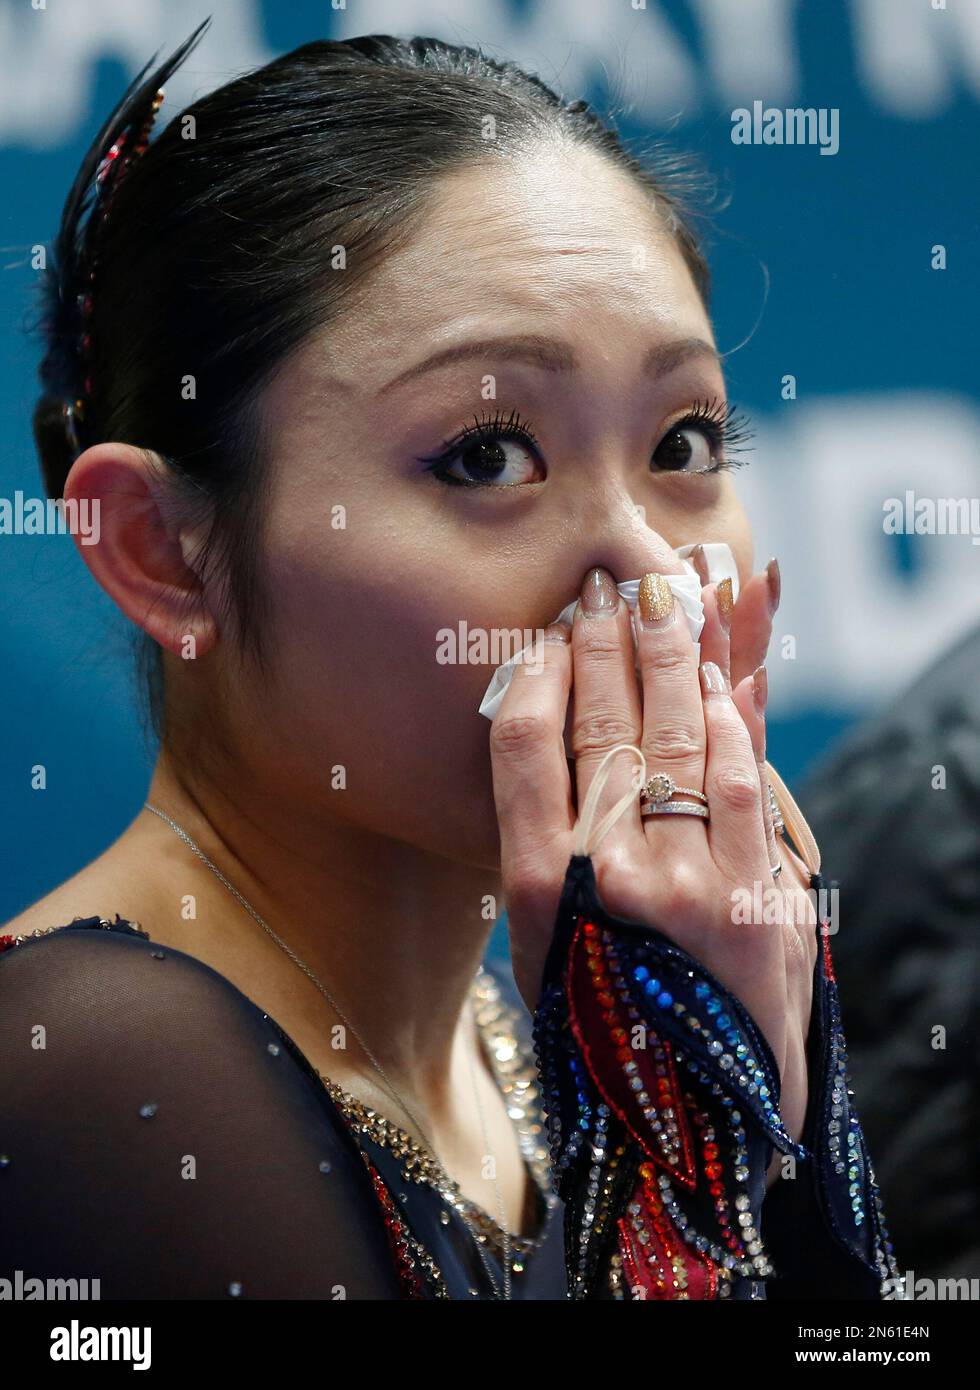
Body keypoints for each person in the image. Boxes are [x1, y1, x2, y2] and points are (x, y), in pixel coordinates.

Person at [0, 22, 902, 1300]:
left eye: (686, 440)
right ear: (163, 550)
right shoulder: (96, 1066)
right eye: (487, 457)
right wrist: (679, 1121)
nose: (648, 571)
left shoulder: (506, 1038)